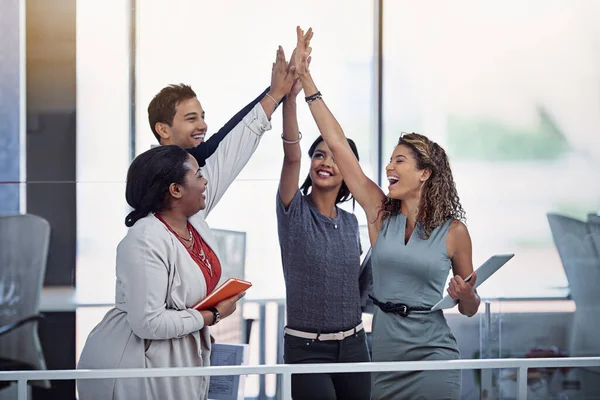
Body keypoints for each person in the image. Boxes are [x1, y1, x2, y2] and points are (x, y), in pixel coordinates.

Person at [76, 47, 297, 400]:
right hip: (136, 368)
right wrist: (208, 316)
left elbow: (232, 144)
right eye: (191, 118)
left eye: (203, 116)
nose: (204, 126)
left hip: (176, 361)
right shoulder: (149, 232)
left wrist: (275, 95)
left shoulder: (191, 216)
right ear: (175, 188)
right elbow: (148, 320)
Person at [293, 26, 480, 399]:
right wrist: (306, 79)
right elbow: (338, 145)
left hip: (434, 357)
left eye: (399, 161)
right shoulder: (381, 213)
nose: (389, 168)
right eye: (390, 160)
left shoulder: (454, 231)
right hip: (385, 359)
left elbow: (471, 307)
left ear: (425, 173)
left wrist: (464, 294)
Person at [275, 30, 371, 400]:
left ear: (349, 172)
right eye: (321, 154)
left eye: (335, 156)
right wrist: (290, 99)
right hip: (305, 348)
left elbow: (360, 288)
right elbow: (291, 156)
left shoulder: (351, 223)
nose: (326, 161)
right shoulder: (293, 211)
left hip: (354, 346)